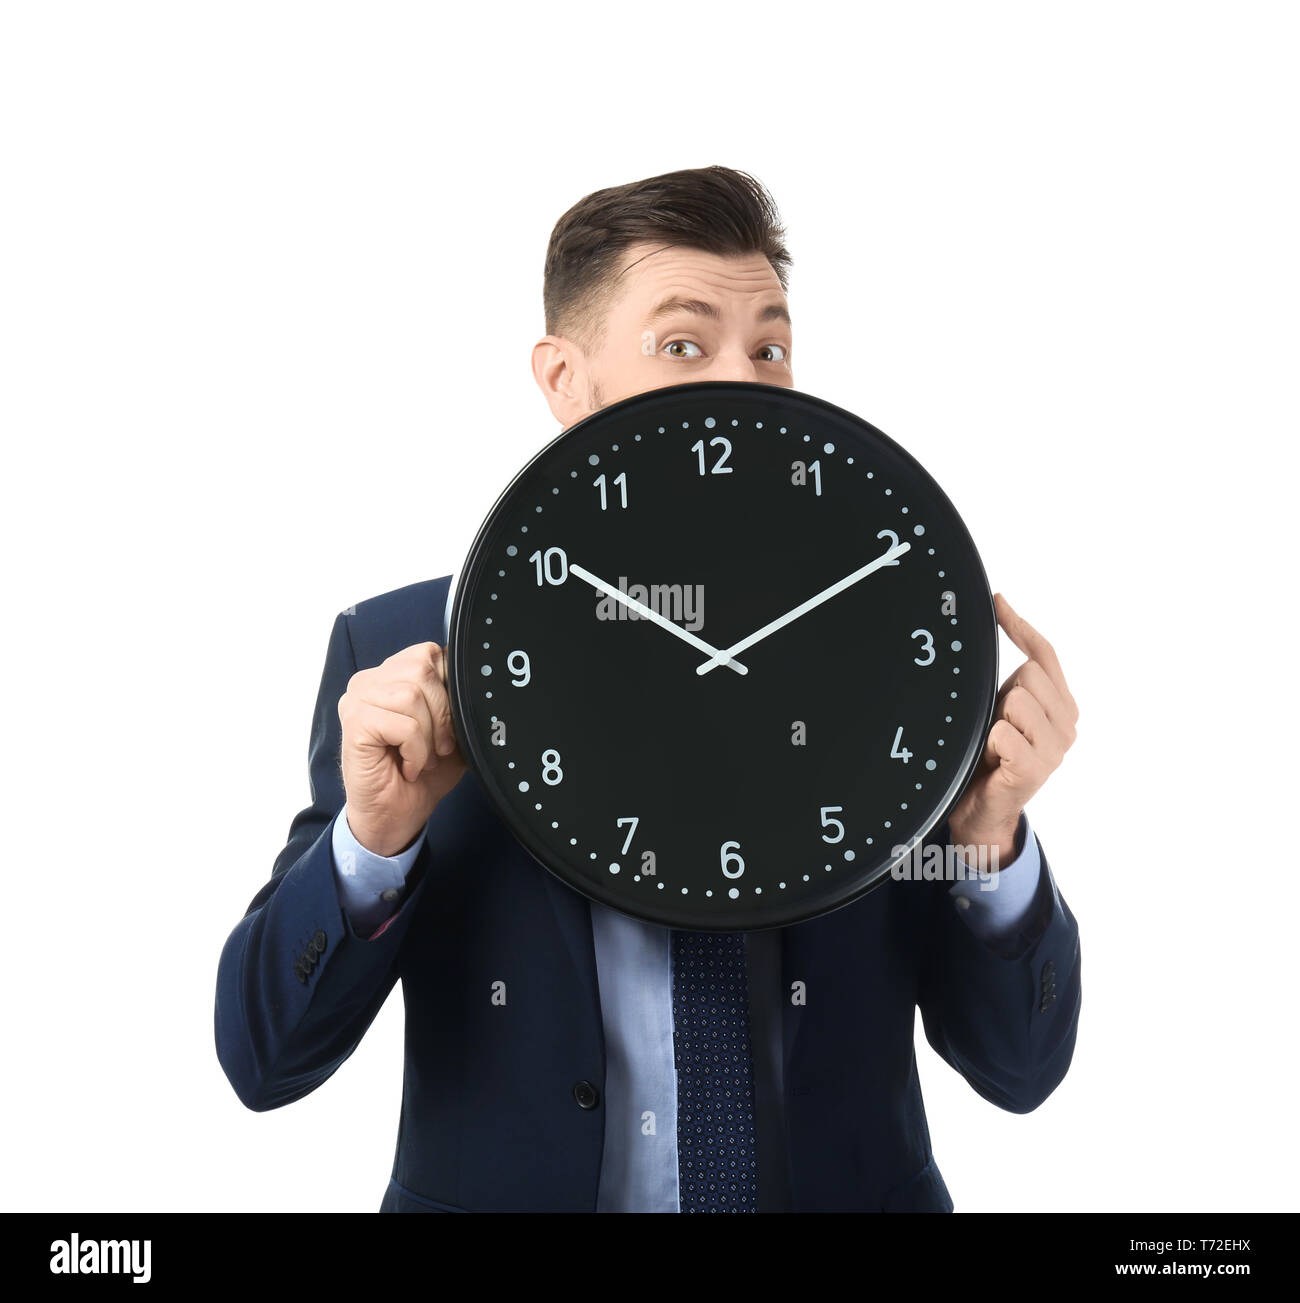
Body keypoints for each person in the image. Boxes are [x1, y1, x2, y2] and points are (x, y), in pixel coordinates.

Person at [214, 165, 1081, 1213]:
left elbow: (1019, 1072)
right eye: (684, 343)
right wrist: (374, 843)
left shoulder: (897, 646)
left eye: (770, 346)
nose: (743, 381)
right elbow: (264, 1063)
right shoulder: (407, 652)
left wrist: (986, 836)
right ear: (563, 377)